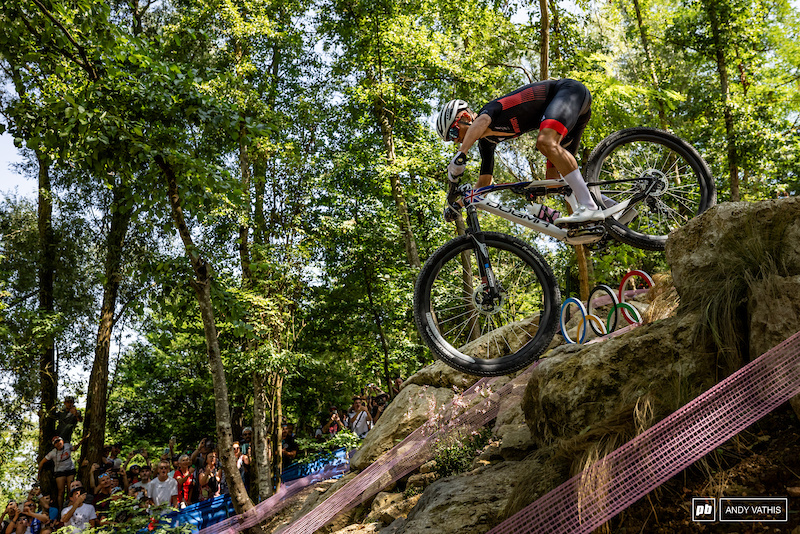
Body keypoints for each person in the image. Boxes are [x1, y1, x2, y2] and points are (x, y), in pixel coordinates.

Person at [437, 79, 602, 225]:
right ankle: (607, 209)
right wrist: (459, 204)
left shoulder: (488, 111)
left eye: (453, 133)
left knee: (545, 142)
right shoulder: (486, 143)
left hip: (569, 92)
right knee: (554, 182)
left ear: (465, 116)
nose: (455, 140)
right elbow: (483, 186)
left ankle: (589, 206)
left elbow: (481, 122)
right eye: (451, 140)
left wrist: (462, 153)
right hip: (573, 108)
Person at [37, 436, 82, 509]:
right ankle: (61, 509)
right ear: (54, 445)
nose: (58, 443)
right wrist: (38, 473)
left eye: (59, 441)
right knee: (61, 491)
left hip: (70, 469)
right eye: (56, 443)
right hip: (59, 472)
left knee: (70, 489)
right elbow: (42, 462)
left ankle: (70, 506)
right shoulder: (53, 453)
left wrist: (81, 441)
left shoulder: (67, 446)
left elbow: (74, 448)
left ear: (62, 441)